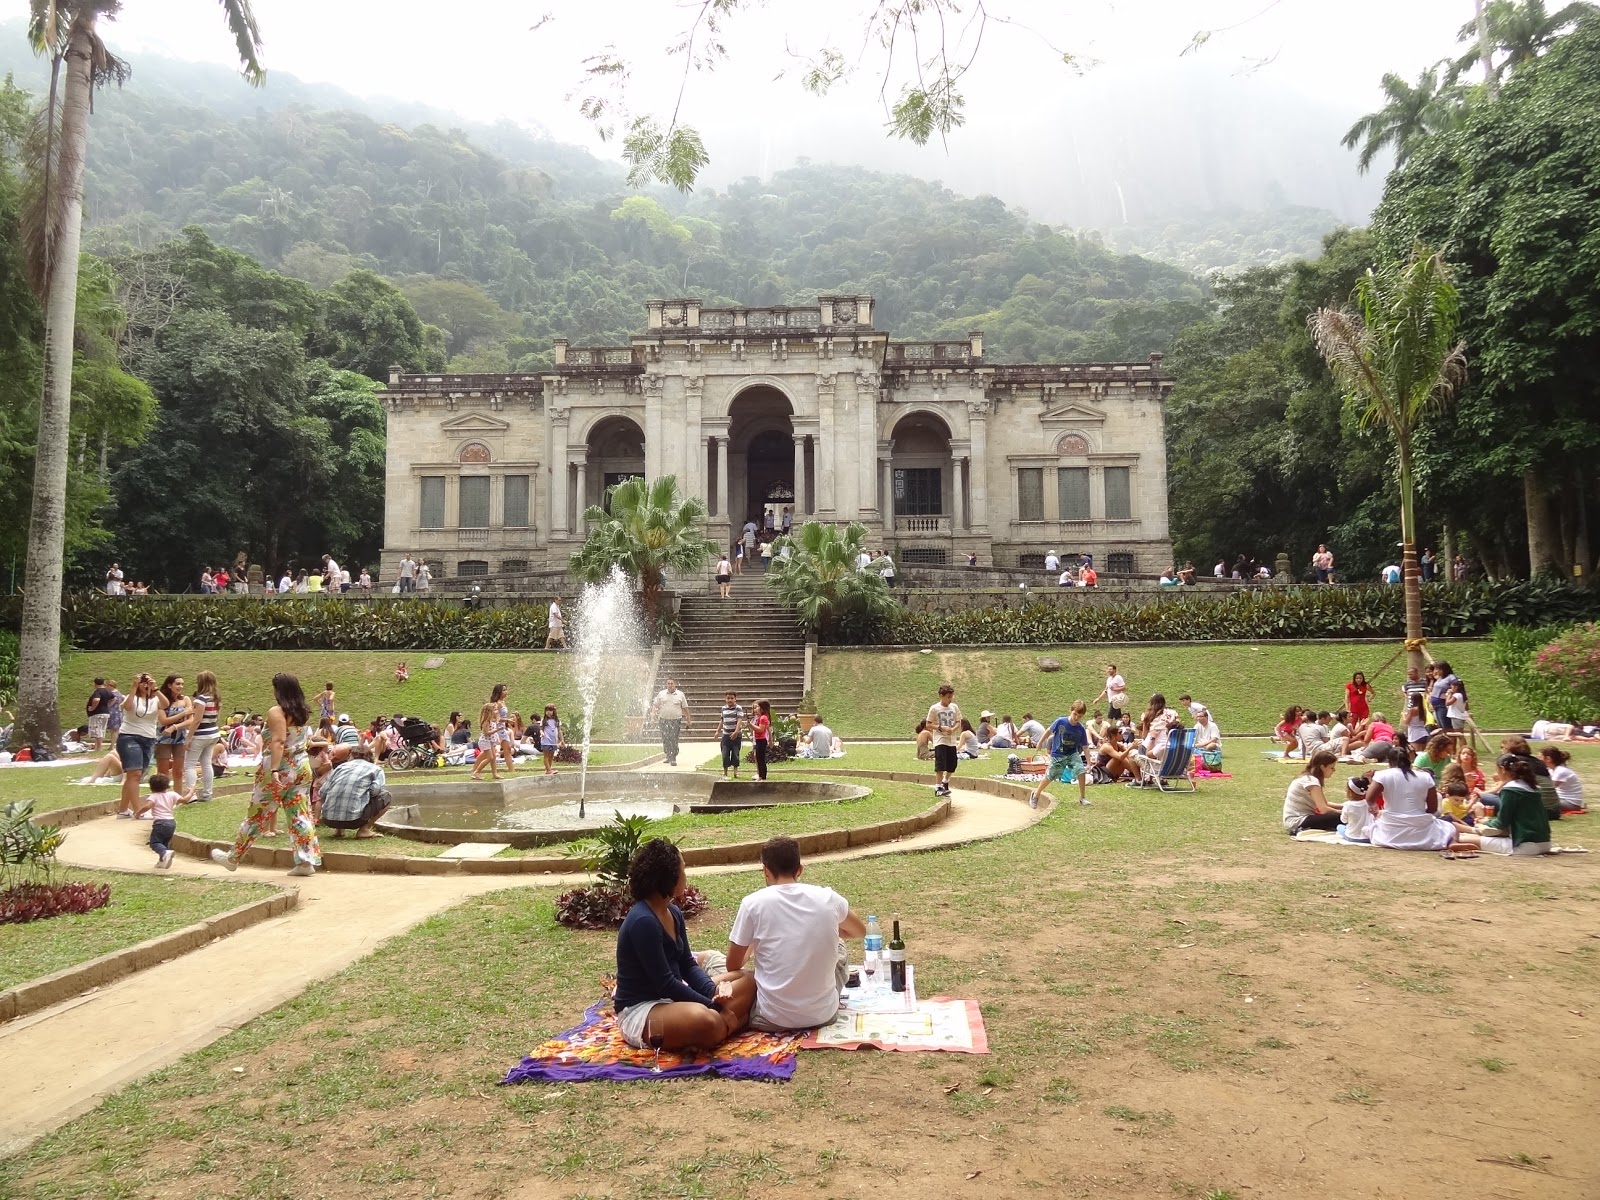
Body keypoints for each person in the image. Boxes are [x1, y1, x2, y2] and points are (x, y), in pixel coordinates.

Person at [614, 838, 755, 1051]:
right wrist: (714, 1006)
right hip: (644, 1009)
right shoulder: (643, 922)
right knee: (707, 1020)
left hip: (673, 1001)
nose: (686, 875)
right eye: (683, 869)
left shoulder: (673, 913)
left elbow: (687, 965)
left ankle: (716, 1027)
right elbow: (666, 984)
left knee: (750, 979)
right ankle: (721, 1025)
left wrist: (712, 992)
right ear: (669, 877)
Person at [724, 836, 866, 1032]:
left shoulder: (752, 904)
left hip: (771, 1019)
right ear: (800, 869)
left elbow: (733, 965)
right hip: (824, 1015)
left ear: (765, 871)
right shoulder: (828, 898)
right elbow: (859, 931)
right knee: (839, 946)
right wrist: (832, 931)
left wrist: (754, 943)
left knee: (720, 963)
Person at [212, 673, 322, 877]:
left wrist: (273, 770)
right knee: (300, 815)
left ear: (278, 690)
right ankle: (306, 861)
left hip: (280, 767)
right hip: (301, 765)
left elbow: (278, 742)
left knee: (257, 814)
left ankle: (233, 857)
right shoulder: (302, 711)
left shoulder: (276, 712)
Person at [1455, 756, 1553, 855]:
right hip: (1544, 842)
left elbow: (1502, 823)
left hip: (1524, 845)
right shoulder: (1532, 788)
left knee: (1461, 838)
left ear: (1502, 769)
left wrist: (1485, 821)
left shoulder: (1510, 790)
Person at [1367, 744, 1454, 852]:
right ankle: (1454, 843)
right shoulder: (1425, 777)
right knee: (1450, 828)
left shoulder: (1382, 775)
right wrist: (1417, 819)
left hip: (1389, 831)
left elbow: (1370, 798)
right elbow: (1432, 809)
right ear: (1409, 760)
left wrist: (1375, 808)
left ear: (1389, 761)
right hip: (1421, 832)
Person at [318, 745, 391, 839]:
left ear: (351, 756)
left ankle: (338, 830)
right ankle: (364, 830)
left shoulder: (340, 768)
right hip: (355, 820)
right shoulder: (375, 769)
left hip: (328, 820)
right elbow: (375, 791)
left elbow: (323, 792)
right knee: (386, 796)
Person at [113, 675, 161, 819]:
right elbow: (127, 707)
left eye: (147, 682)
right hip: (129, 736)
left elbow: (165, 705)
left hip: (149, 738)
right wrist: (134, 686)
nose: (145, 684)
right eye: (142, 682)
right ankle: (138, 810)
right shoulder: (131, 697)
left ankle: (123, 810)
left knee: (135, 776)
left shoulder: (155, 699)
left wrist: (155, 688)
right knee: (135, 775)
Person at [1031, 700, 1092, 808]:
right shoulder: (1060, 721)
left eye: (1080, 716)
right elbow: (1049, 731)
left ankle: (1082, 797)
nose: (1076, 717)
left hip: (1072, 753)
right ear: (1071, 711)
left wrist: (1089, 763)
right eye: (1075, 714)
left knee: (1080, 771)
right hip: (1058, 754)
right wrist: (1040, 742)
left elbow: (1085, 747)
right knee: (1050, 775)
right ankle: (1036, 794)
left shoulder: (1080, 729)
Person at [184, 670, 223, 803]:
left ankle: (191, 794)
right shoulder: (216, 698)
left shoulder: (201, 699)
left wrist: (188, 737)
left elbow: (197, 720)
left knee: (189, 764)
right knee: (206, 763)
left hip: (201, 734)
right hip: (213, 732)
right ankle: (207, 793)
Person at [1282, 750, 1342, 835]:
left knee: (1339, 816)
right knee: (1339, 817)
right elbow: (1323, 809)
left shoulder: (1308, 778)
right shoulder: (1311, 781)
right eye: (1332, 768)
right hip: (1297, 821)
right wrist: (1343, 812)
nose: (1334, 770)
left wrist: (1343, 806)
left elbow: (1324, 804)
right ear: (1322, 767)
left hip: (1295, 820)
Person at [137, 773, 186, 869]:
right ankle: (162, 861)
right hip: (171, 823)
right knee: (164, 843)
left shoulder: (153, 796)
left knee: (154, 843)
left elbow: (147, 806)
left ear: (151, 786)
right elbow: (185, 800)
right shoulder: (172, 794)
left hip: (160, 823)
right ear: (167, 785)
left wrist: (138, 813)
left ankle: (164, 853)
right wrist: (191, 792)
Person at [926, 683, 962, 797]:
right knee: (940, 764)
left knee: (952, 765)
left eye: (951, 697)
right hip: (940, 739)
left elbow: (958, 721)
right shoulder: (934, 708)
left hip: (951, 740)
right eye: (948, 697)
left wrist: (953, 729)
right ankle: (938, 787)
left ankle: (945, 781)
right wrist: (941, 728)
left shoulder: (954, 707)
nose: (950, 700)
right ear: (941, 696)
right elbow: (928, 724)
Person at [649, 679, 690, 767]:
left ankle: (673, 757)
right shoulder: (661, 694)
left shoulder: (680, 694)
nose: (670, 685)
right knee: (665, 738)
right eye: (668, 683)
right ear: (666, 685)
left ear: (675, 684)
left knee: (673, 738)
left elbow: (685, 708)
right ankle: (668, 755)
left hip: (675, 720)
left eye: (672, 683)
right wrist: (653, 717)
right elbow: (655, 706)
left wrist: (688, 720)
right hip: (663, 720)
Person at [1540, 747, 1585, 813]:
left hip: (1570, 803)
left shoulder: (1560, 771)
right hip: (1562, 799)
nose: (1539, 760)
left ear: (1548, 759)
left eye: (1541, 757)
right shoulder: (1552, 770)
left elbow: (1549, 789)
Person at [471, 695, 502, 782]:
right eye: (495, 710)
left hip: (490, 741)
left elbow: (498, 719)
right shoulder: (486, 721)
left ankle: (495, 773)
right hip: (485, 741)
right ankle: (476, 772)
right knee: (489, 758)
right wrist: (497, 730)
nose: (496, 711)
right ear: (490, 711)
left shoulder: (492, 719)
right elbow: (487, 733)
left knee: (493, 758)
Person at [85, 677, 116, 754]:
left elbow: (96, 700)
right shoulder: (107, 691)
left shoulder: (98, 692)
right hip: (105, 713)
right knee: (101, 730)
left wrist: (92, 708)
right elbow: (114, 698)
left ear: (95, 683)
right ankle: (97, 746)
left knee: (97, 730)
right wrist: (108, 706)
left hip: (98, 713)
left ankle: (98, 748)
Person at [718, 691, 745, 780]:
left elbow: (739, 720)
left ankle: (735, 772)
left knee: (735, 754)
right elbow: (722, 720)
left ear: (735, 699)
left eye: (732, 698)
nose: (730, 700)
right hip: (725, 735)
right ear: (725, 699)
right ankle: (725, 772)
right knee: (724, 754)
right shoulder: (723, 709)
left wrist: (736, 732)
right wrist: (717, 731)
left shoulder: (738, 708)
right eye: (728, 698)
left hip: (736, 736)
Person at [538, 704, 563, 776]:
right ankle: (549, 770)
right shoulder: (544, 720)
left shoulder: (556, 720)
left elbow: (559, 730)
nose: (548, 712)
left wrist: (561, 740)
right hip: (546, 740)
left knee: (551, 755)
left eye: (550, 710)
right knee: (546, 755)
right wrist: (542, 733)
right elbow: (541, 729)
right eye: (547, 710)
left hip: (553, 741)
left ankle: (549, 769)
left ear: (553, 711)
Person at [752, 699, 772, 781]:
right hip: (758, 739)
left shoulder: (763, 718)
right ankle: (760, 775)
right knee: (758, 757)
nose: (756, 709)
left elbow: (760, 729)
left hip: (761, 740)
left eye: (758, 707)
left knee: (761, 758)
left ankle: (762, 776)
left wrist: (750, 725)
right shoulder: (760, 717)